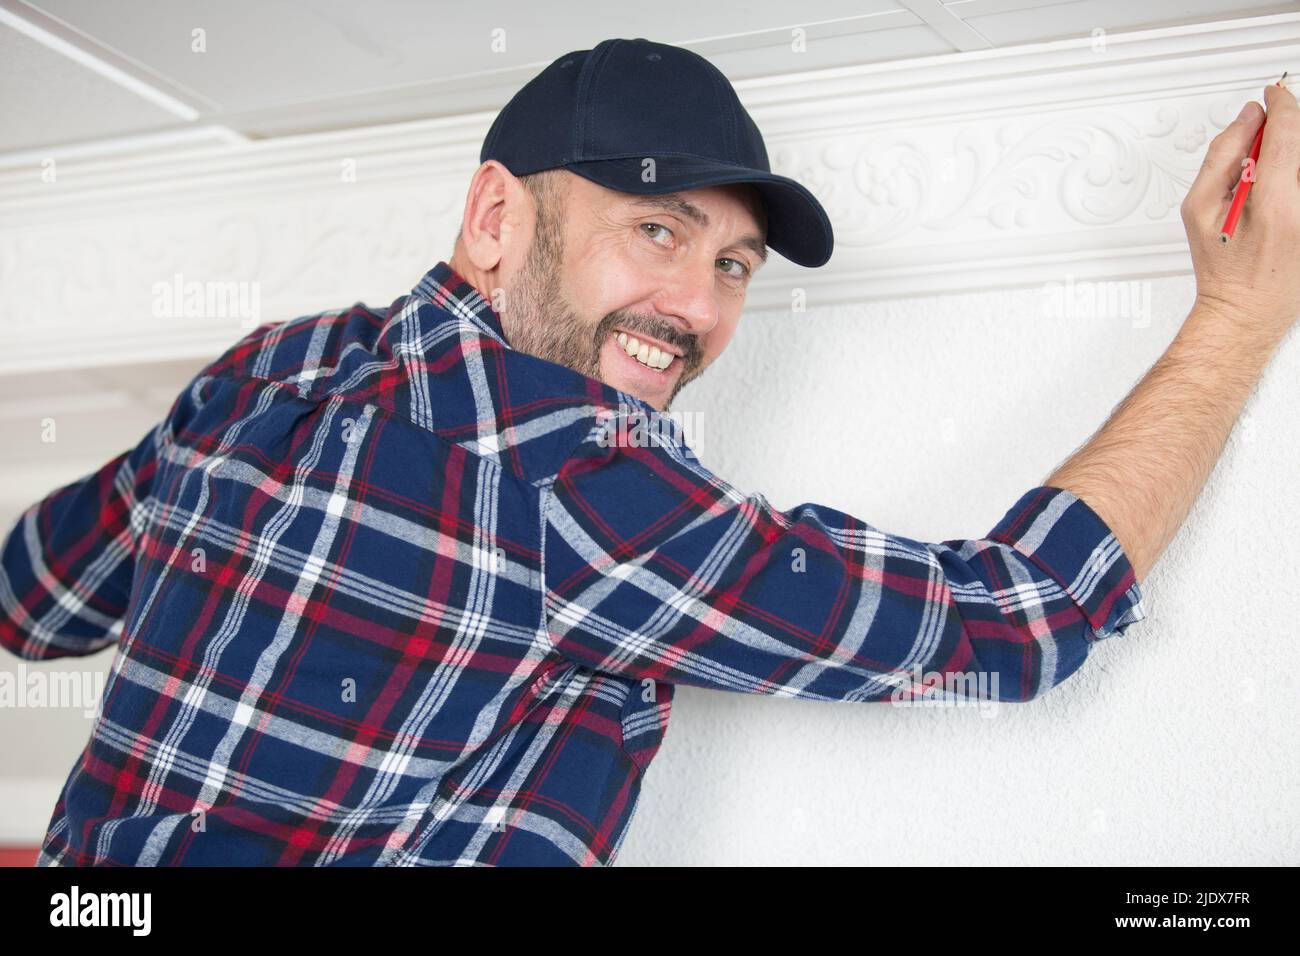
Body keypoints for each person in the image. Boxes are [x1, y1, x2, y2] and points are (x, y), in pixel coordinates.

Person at [1, 39, 1296, 866]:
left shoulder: (271, 369)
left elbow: (33, 600)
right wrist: (1240, 315)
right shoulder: (579, 480)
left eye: (732, 263)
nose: (699, 305)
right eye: (657, 232)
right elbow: (1021, 617)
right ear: (495, 218)